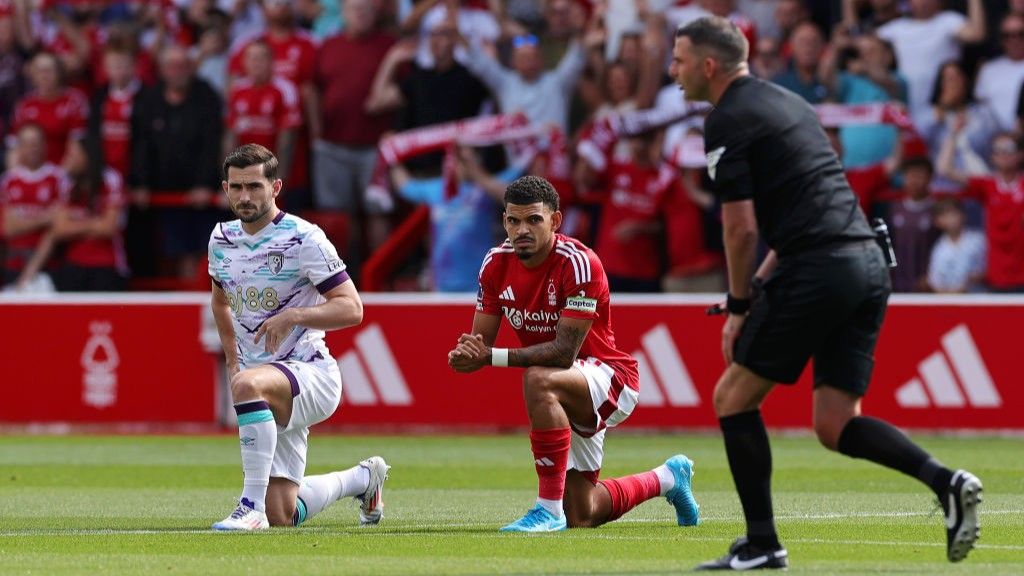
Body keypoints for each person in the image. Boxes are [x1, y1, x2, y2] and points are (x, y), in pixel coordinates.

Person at [670, 17, 982, 570]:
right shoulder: (790, 104)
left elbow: (740, 229)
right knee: (835, 422)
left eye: (679, 60)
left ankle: (762, 545)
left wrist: (739, 306)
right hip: (865, 262)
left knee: (732, 398)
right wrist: (760, 286)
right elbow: (806, 210)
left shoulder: (727, 119)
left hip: (819, 267)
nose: (673, 70)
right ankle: (947, 482)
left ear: (708, 65)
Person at [447, 175, 699, 532]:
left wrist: (489, 356)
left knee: (538, 378)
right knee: (584, 513)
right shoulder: (494, 264)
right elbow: (479, 345)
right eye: (513, 220)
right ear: (504, 221)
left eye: (534, 220)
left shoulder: (579, 262)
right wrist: (466, 355)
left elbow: (564, 353)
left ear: (555, 221)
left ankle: (548, 510)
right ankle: (668, 478)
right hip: (565, 386)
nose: (522, 230)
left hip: (609, 377)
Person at [208, 144, 389, 531]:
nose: (245, 196)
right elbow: (220, 301)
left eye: (254, 186)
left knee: (249, 385)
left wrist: (294, 316)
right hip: (262, 383)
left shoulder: (304, 238)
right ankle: (363, 479)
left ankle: (249, 508)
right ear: (225, 189)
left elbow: (352, 308)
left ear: (275, 187)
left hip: (310, 373)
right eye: (236, 187)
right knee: (284, 515)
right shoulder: (221, 239)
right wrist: (232, 358)